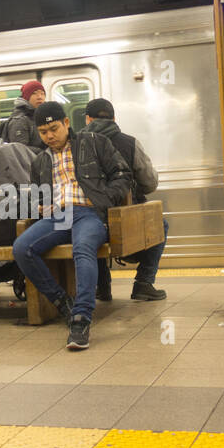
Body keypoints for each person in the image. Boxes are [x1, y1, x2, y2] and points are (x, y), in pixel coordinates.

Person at [13, 101, 132, 350]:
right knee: (22, 248)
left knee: (83, 248)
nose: (49, 136)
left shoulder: (94, 143)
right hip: (57, 216)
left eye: (54, 129)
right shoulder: (39, 162)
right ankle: (61, 302)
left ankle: (81, 318)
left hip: (89, 213)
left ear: (67, 123)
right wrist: (41, 205)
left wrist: (102, 200)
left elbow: (122, 175)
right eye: (43, 132)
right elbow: (39, 194)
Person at [82, 98, 167, 303]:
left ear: (87, 119)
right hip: (128, 222)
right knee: (161, 225)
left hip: (91, 220)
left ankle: (102, 288)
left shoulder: (77, 146)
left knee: (92, 222)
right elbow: (149, 183)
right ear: (114, 118)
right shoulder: (130, 142)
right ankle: (143, 283)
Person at [0, 80, 45, 150]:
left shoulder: (39, 116)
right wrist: (45, 153)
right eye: (34, 93)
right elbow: (20, 151)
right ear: (26, 97)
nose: (40, 97)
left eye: (42, 94)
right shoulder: (19, 120)